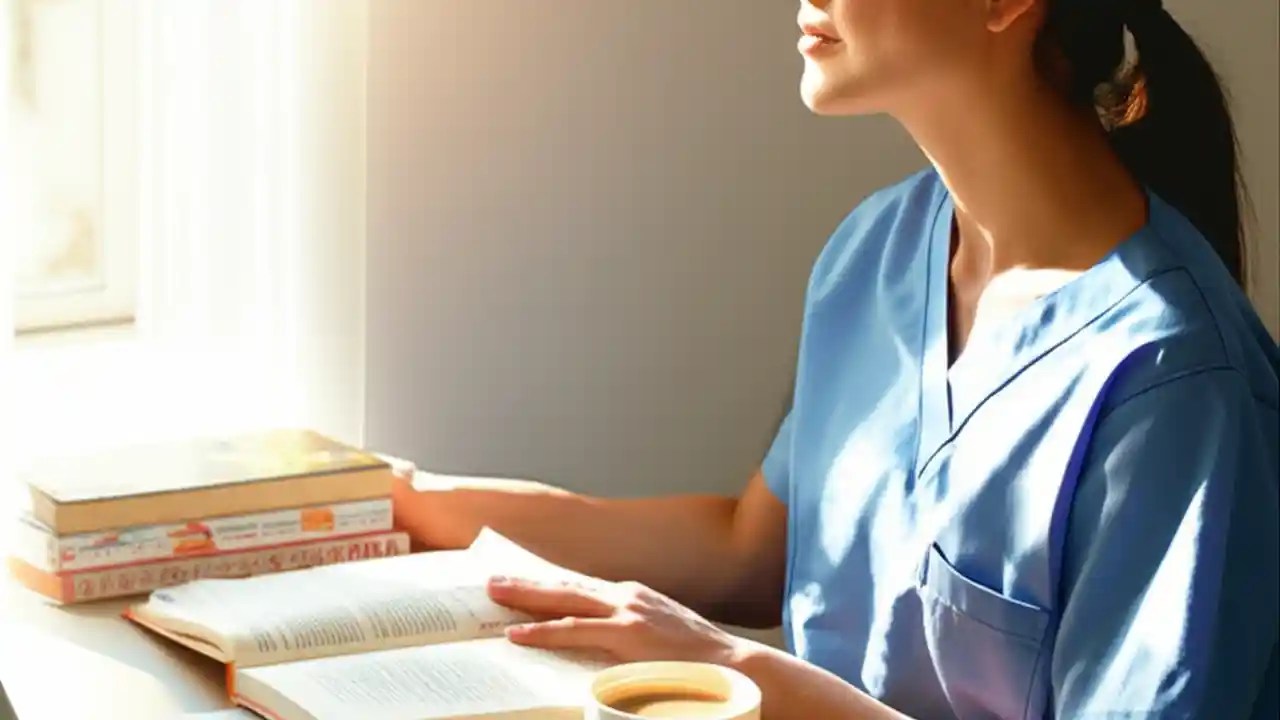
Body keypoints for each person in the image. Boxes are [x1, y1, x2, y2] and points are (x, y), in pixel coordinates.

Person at [394, 0, 1279, 717]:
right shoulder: (876, 250)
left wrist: (741, 673)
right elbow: (749, 551)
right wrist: (410, 501)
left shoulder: (1175, 384)